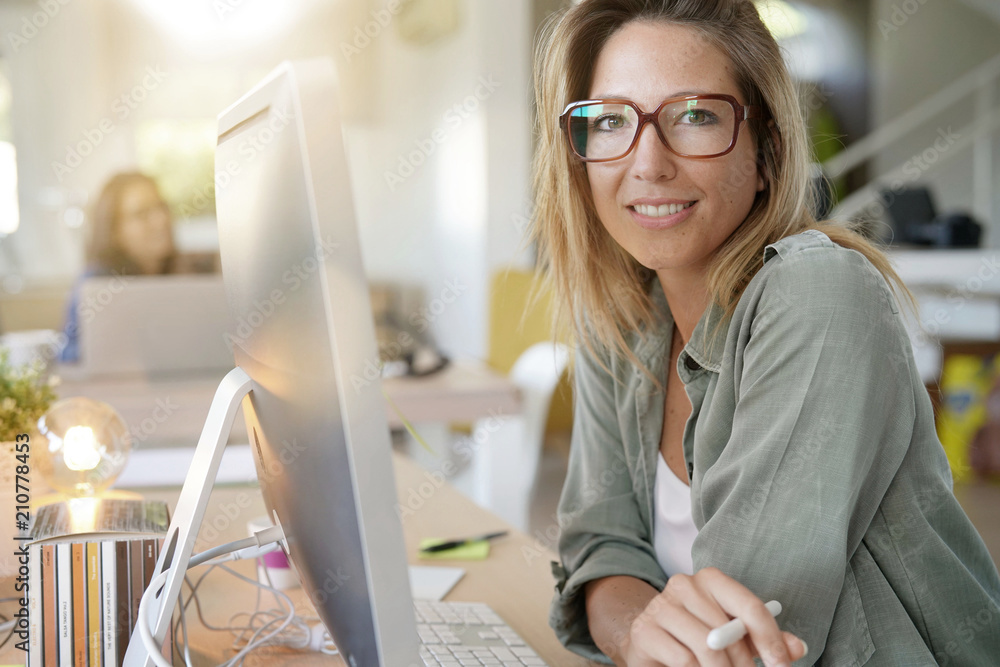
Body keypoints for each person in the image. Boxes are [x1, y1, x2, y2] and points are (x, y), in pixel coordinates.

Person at [530, 1, 1000, 665]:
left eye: (694, 115)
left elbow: (741, 642)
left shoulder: (818, 295)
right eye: (609, 121)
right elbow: (598, 546)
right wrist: (637, 632)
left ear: (767, 151)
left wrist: (648, 630)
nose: (649, 162)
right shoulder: (622, 317)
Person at [59, 171, 176, 362]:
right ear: (114, 230)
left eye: (161, 207)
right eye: (142, 214)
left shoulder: (181, 277)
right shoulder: (96, 284)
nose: (161, 220)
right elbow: (70, 356)